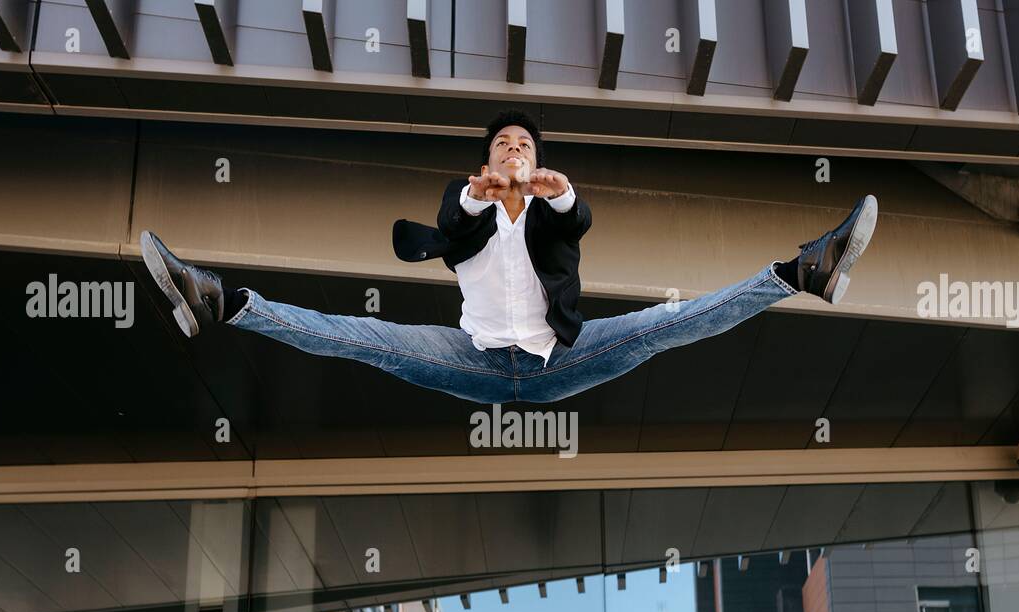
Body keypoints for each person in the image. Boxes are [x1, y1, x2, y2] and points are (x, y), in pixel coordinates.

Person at [140, 109, 877, 405]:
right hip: (476, 361)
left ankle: (802, 272)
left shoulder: (555, 213)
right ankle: (219, 301)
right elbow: (445, 227)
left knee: (667, 323)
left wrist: (560, 191)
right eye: (502, 144)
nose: (513, 149)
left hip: (563, 360)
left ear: (537, 159)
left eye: (523, 144)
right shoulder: (465, 207)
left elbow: (577, 220)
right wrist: (476, 195)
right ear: (488, 160)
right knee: (361, 337)